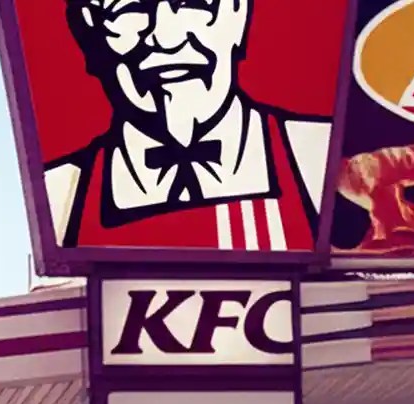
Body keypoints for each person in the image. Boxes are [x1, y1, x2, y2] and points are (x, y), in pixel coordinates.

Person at [46, 0, 332, 251]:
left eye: (193, 3)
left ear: (238, 13)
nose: (167, 37)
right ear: (90, 33)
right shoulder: (61, 196)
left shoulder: (320, 160)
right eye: (130, 8)